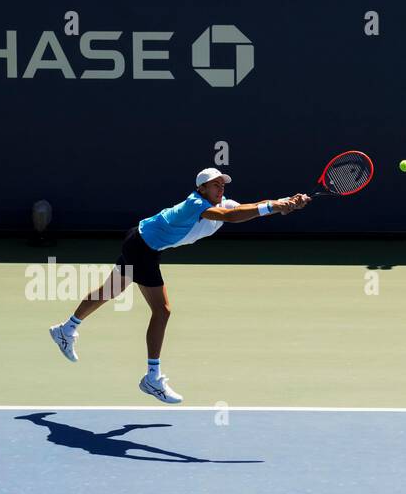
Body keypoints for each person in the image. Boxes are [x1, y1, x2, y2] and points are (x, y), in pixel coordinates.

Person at [49, 169, 309, 404]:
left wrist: (285, 203)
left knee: (111, 291)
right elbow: (230, 217)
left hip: (139, 240)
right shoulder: (196, 205)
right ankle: (152, 376)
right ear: (202, 189)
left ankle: (66, 329)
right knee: (162, 311)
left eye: (222, 184)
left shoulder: (222, 203)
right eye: (215, 185)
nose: (221, 188)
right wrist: (276, 207)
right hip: (143, 248)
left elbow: (249, 207)